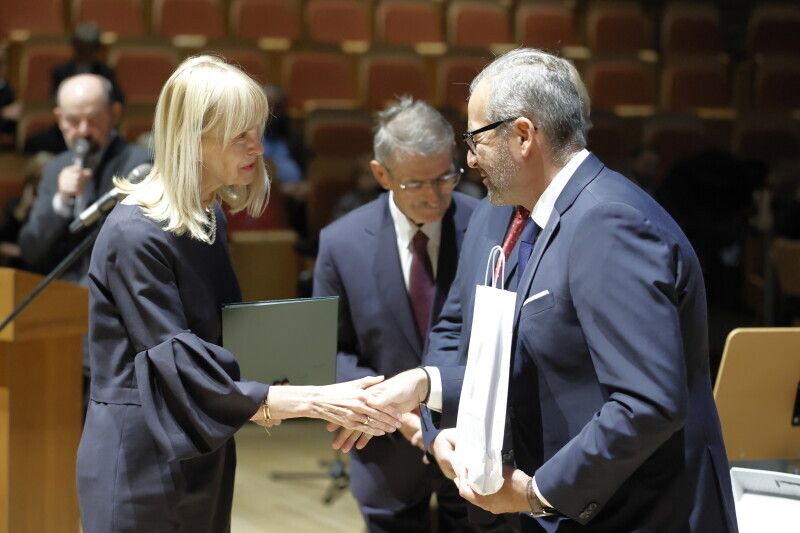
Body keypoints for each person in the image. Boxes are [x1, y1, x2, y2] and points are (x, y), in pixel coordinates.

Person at [364, 48, 738, 532]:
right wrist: (431, 397)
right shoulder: (497, 211)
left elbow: (647, 402)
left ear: (523, 135)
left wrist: (537, 493)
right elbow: (475, 336)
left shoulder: (609, 222)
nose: (470, 157)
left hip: (634, 514)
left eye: (476, 138)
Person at [76, 55, 402, 532]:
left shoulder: (208, 219)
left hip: (201, 450)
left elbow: (219, 334)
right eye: (240, 135)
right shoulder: (134, 233)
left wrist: (280, 384)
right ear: (192, 138)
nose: (257, 147)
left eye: (257, 131)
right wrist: (304, 400)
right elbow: (178, 360)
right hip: (139, 460)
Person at [314, 96, 477, 532]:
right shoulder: (340, 242)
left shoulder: (487, 226)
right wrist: (401, 418)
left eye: (446, 177)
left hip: (474, 446)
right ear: (381, 175)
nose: (435, 195)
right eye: (415, 184)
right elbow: (328, 352)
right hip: (385, 448)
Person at [17, 73, 149, 282]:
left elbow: (133, 248)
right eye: (73, 120)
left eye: (93, 119)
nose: (84, 131)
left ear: (114, 114)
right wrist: (60, 202)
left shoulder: (141, 165)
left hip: (112, 296)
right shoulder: (54, 168)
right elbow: (30, 249)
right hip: (59, 295)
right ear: (59, 119)